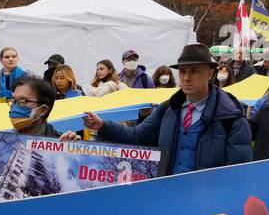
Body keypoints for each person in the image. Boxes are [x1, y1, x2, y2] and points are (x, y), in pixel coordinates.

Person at [80, 43, 253, 175]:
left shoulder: (231, 118)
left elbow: (238, 175)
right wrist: (102, 125)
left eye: (194, 71)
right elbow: (138, 135)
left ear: (210, 73)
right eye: (183, 71)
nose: (186, 77)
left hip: (207, 207)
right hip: (169, 200)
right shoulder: (169, 109)